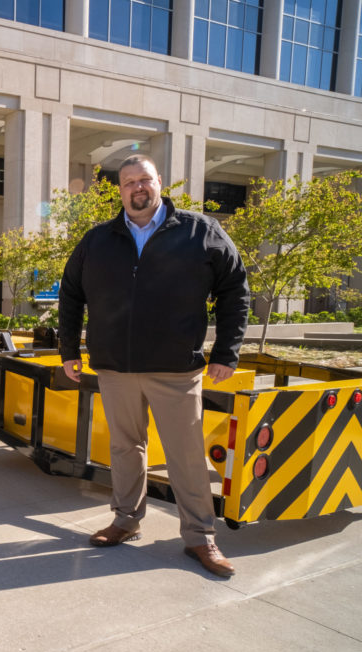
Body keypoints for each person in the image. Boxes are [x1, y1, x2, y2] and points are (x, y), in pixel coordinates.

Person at [57, 154, 250, 578]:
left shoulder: (201, 231)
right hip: (115, 368)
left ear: (159, 182)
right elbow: (71, 294)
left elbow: (236, 290)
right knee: (126, 449)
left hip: (175, 369)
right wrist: (69, 349)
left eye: (144, 180)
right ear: (120, 190)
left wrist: (226, 352)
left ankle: (200, 537)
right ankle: (126, 519)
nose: (137, 188)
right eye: (128, 182)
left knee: (185, 455)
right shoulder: (98, 239)